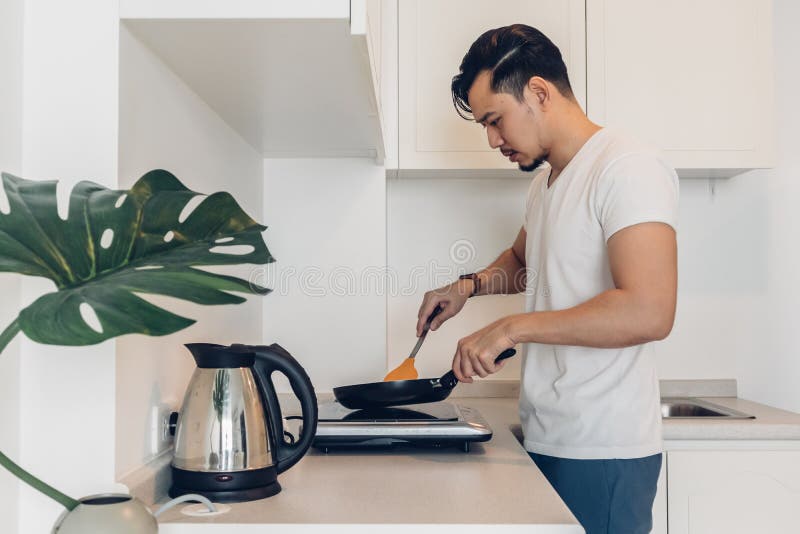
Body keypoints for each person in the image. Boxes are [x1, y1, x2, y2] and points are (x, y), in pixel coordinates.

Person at [415, 24, 678, 534]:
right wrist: (466, 287)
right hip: (548, 436)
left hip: (604, 450)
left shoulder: (626, 166)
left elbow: (650, 309)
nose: (492, 140)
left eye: (495, 120)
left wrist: (511, 328)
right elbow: (521, 259)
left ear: (538, 92)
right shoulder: (547, 183)